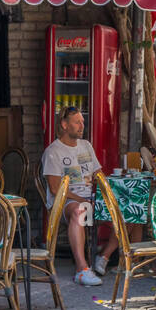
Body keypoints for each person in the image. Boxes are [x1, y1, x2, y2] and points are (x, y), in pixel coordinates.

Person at [41, 106, 121, 286]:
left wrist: (109, 193)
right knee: (80, 211)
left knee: (126, 207)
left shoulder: (86, 146)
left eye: (82, 122)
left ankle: (104, 257)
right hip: (66, 202)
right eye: (77, 122)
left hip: (90, 199)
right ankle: (82, 269)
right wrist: (83, 200)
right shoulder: (53, 152)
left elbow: (98, 175)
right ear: (64, 124)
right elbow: (55, 189)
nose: (81, 126)